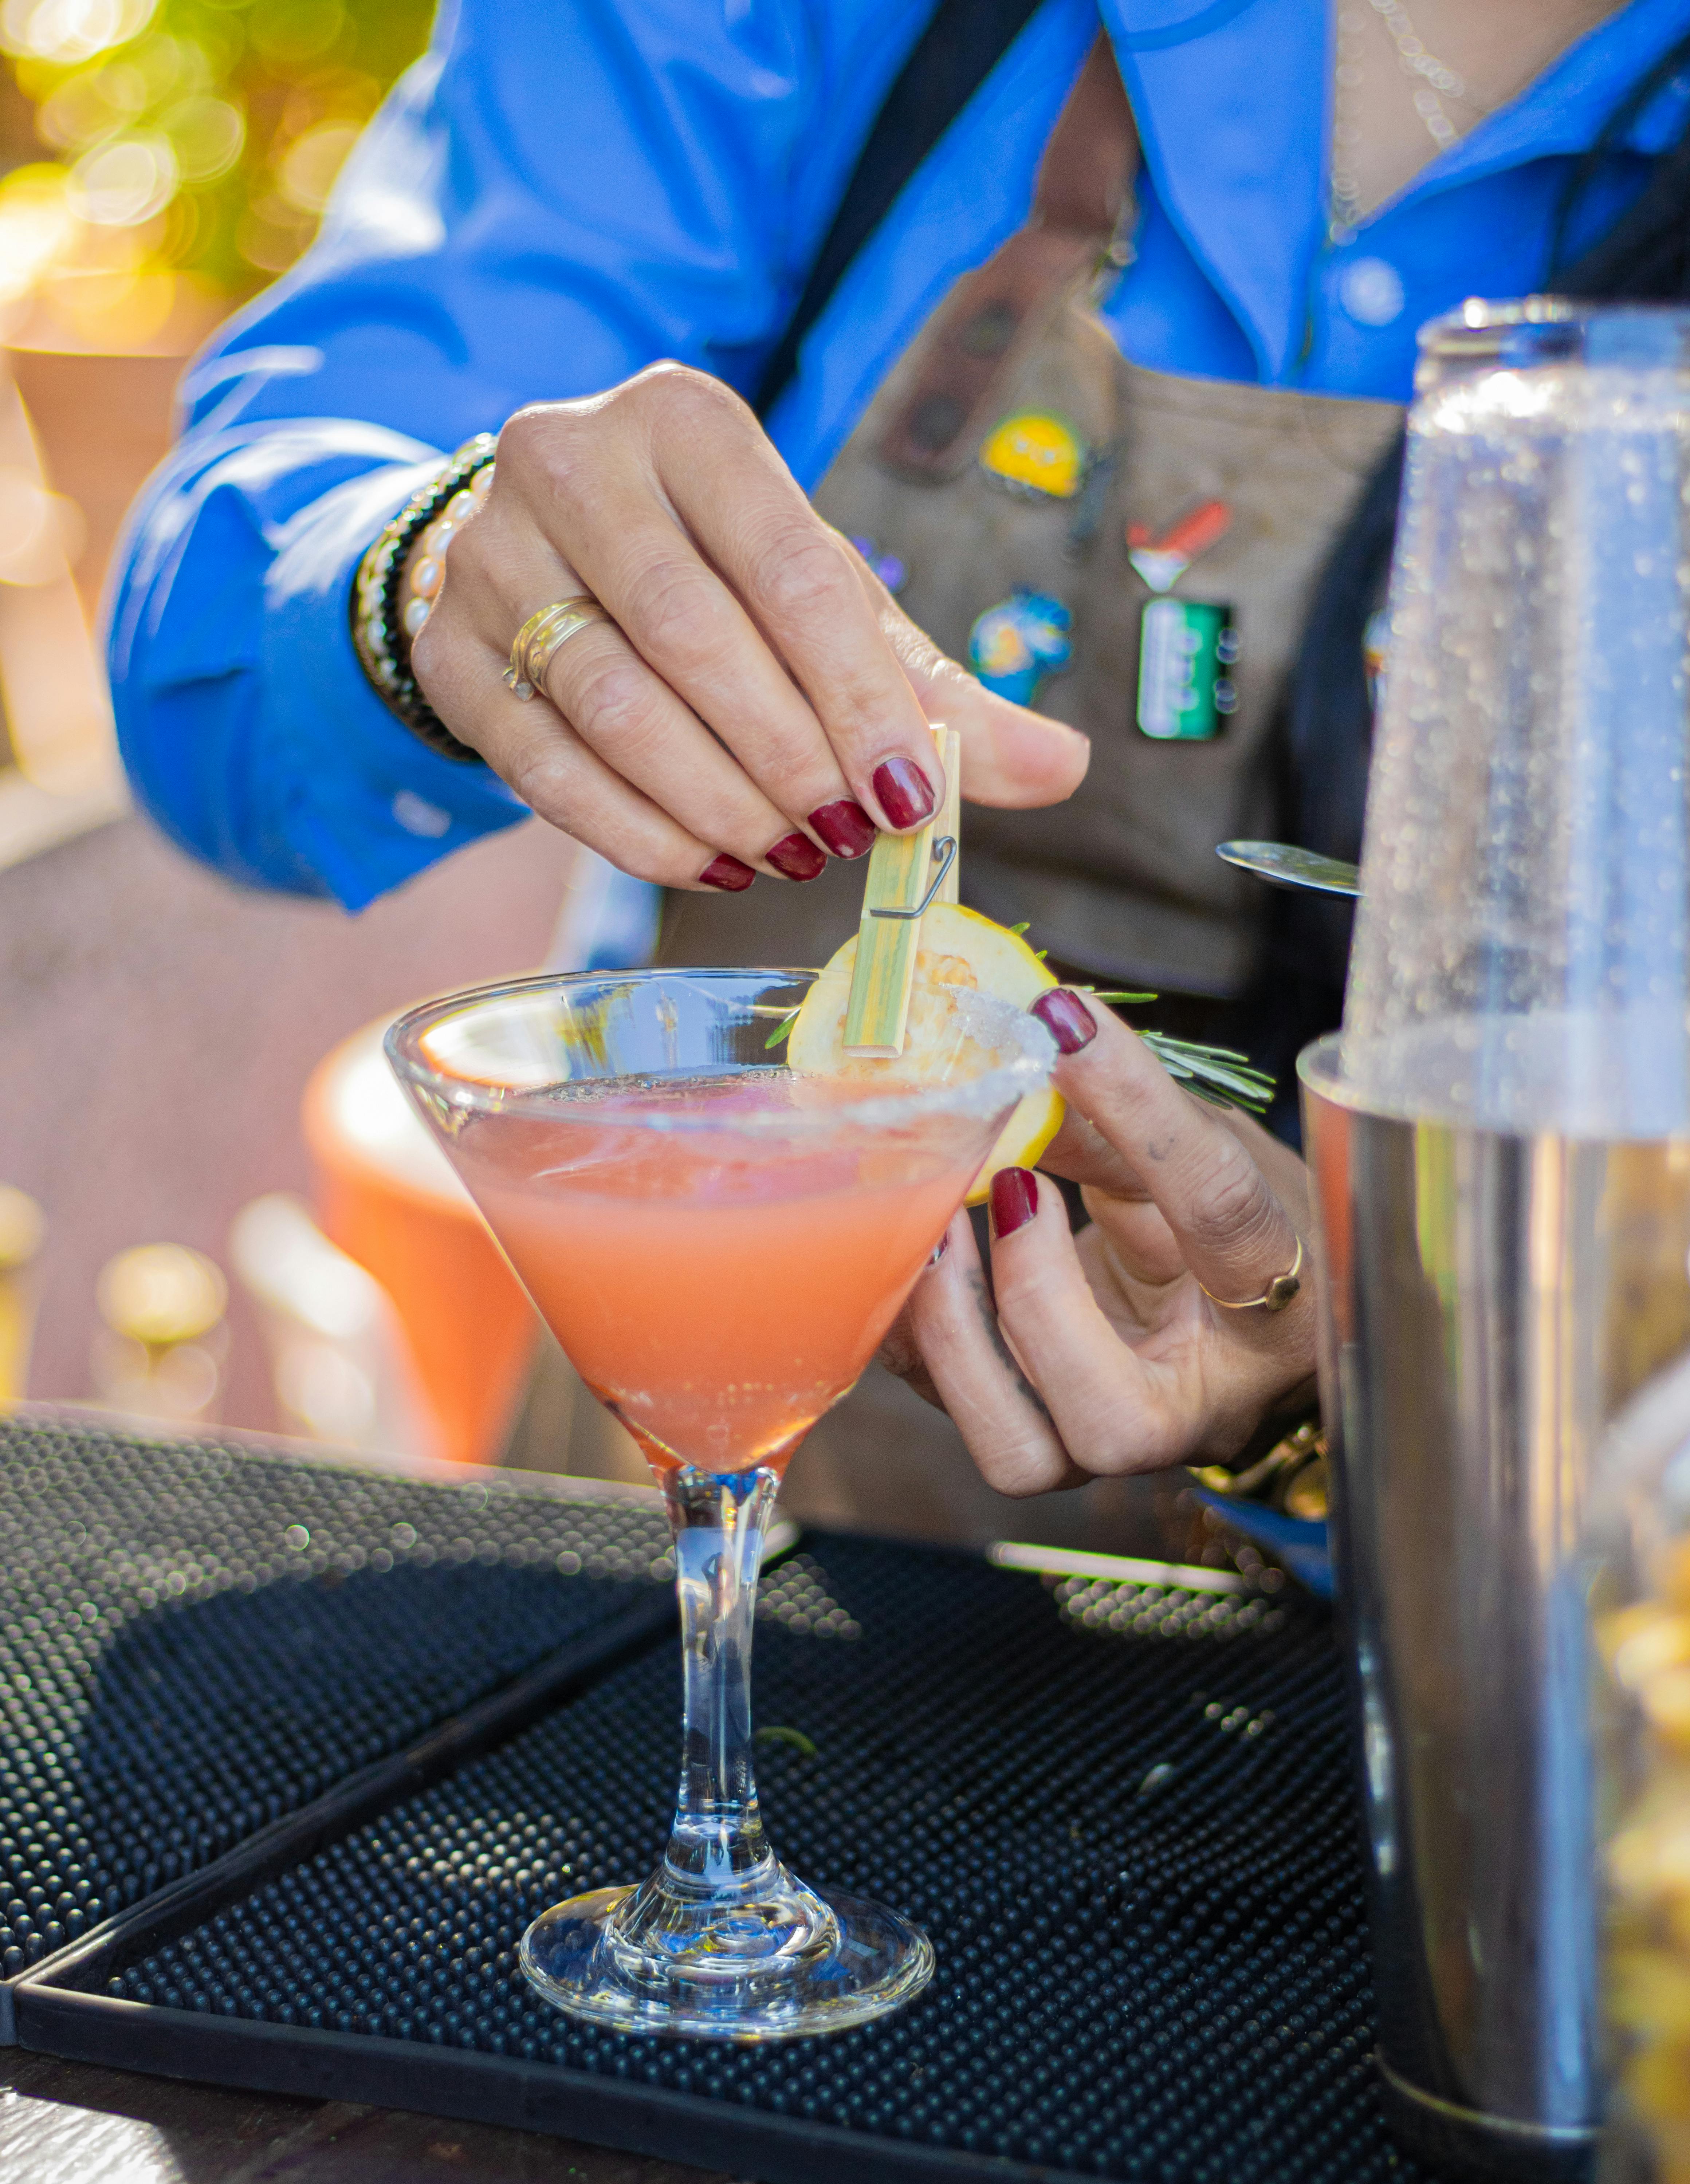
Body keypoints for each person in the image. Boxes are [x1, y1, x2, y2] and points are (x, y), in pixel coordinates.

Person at [106, 0, 1690, 1510]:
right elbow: (212, 666)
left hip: (1495, 1591)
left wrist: (1346, 1392)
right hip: (694, 1468)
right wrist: (428, 576)